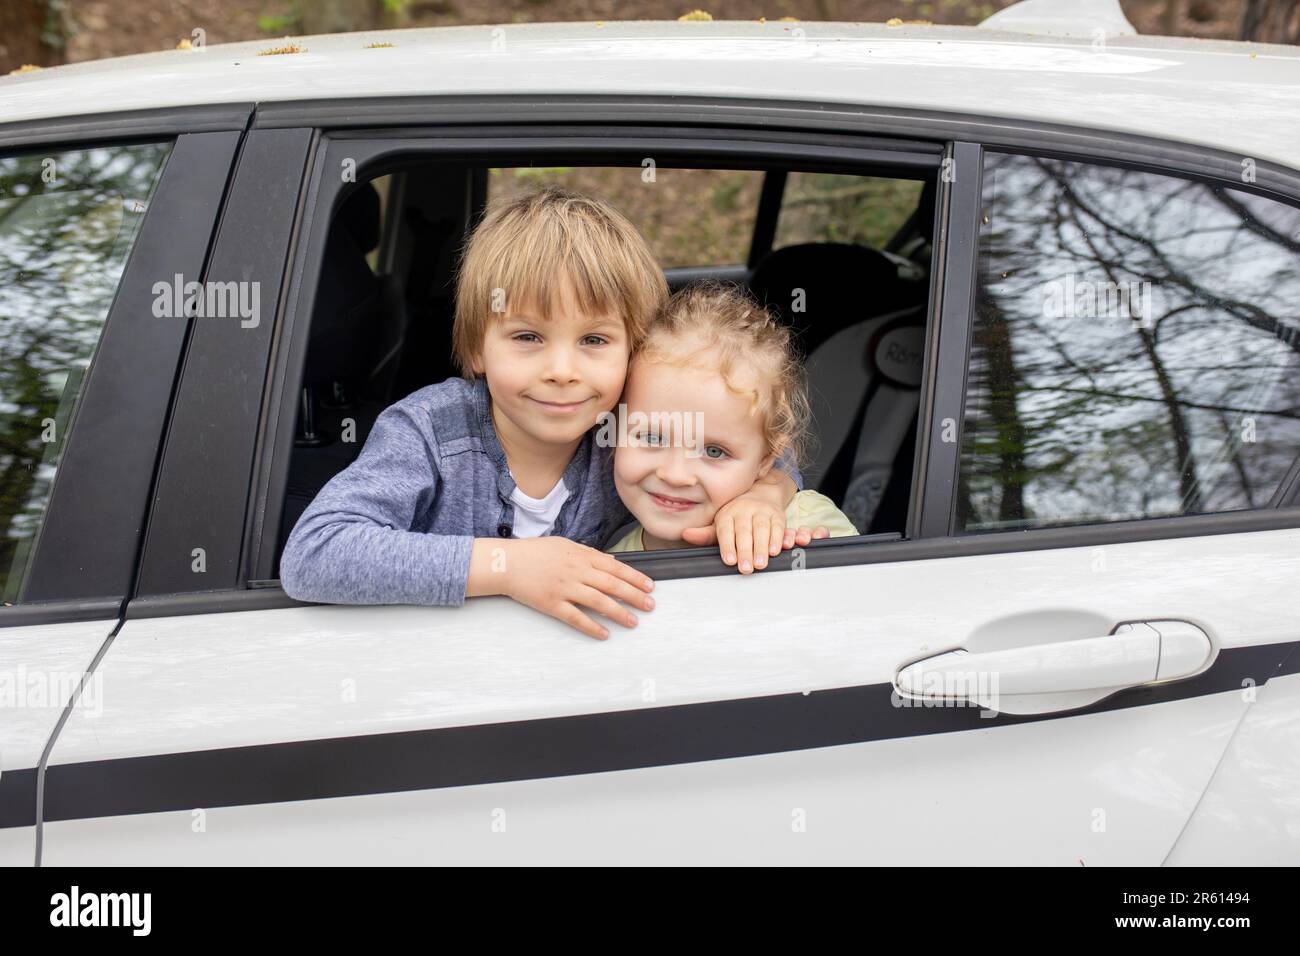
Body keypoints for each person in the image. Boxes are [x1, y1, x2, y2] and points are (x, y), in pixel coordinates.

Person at [279, 187, 812, 640]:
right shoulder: (430, 432)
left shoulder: (630, 428)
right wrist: (507, 568)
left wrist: (766, 496)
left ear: (633, 356)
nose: (562, 370)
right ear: (476, 350)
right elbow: (315, 554)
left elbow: (754, 448)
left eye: (595, 339)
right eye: (528, 337)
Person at [606, 283, 857, 554]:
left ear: (766, 461)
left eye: (714, 451)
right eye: (652, 438)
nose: (675, 475)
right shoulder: (609, 566)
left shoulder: (804, 526)